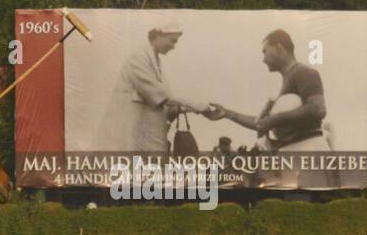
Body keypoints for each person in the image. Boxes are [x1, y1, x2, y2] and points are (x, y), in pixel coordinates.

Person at [202, 29, 333, 187]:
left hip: (309, 151)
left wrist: (275, 119)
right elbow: (262, 124)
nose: (263, 59)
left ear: (279, 47)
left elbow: (318, 108)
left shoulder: (303, 72)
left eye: (265, 52)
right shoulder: (287, 82)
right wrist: (227, 114)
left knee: (312, 208)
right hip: (294, 157)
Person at [95, 22, 200, 153]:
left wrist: (187, 109)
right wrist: (194, 105)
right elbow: (159, 95)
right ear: (159, 35)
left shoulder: (156, 63)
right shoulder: (138, 57)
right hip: (130, 134)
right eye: (172, 41)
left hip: (148, 136)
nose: (173, 47)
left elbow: (164, 104)